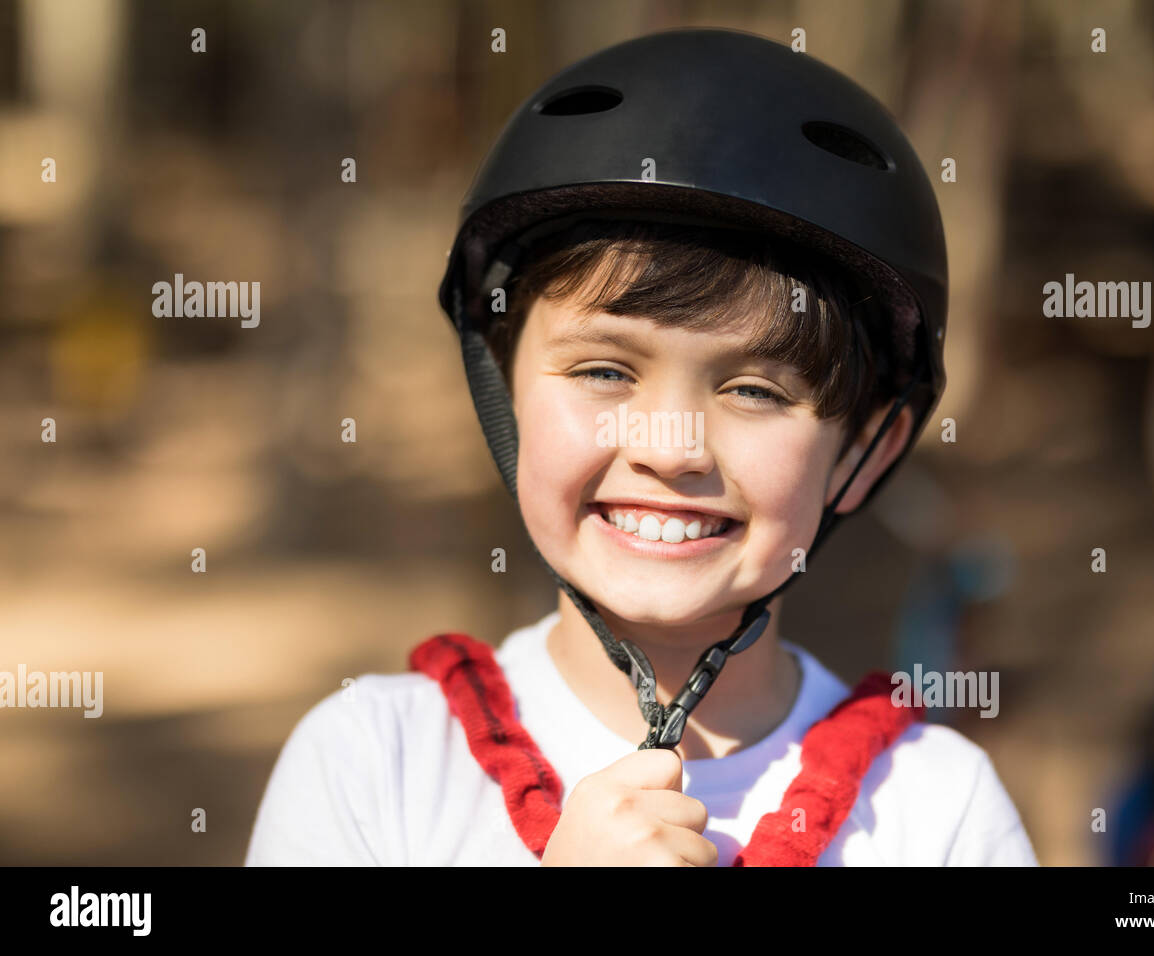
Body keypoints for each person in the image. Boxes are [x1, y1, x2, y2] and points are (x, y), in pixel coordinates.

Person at [246, 27, 1037, 867]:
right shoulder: (375, 766)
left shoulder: (938, 813)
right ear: (504, 393)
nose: (671, 450)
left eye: (755, 391)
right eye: (602, 371)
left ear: (868, 451)